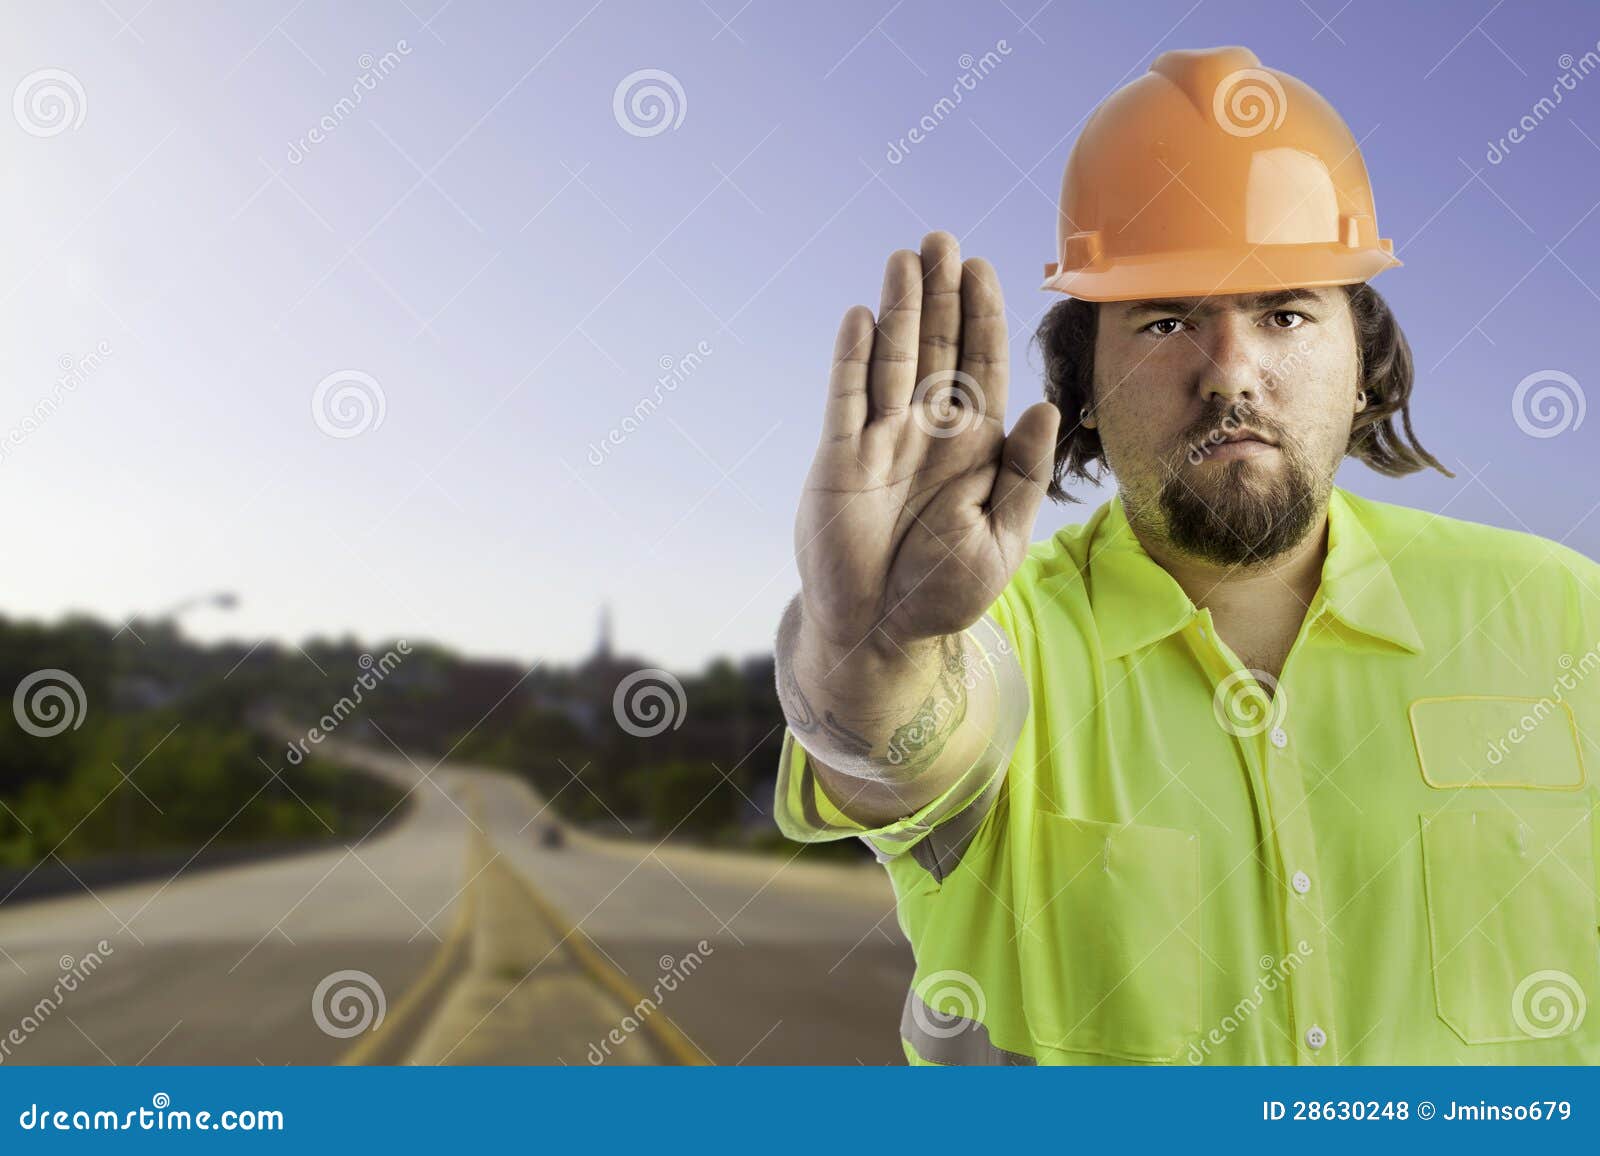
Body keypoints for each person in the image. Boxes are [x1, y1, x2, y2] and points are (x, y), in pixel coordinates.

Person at [771, 46, 1600, 1065]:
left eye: (1285, 312)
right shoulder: (999, 638)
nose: (1229, 373)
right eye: (1165, 320)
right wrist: (873, 650)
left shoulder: (1564, 617)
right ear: (1079, 383)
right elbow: (892, 736)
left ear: (1363, 362)